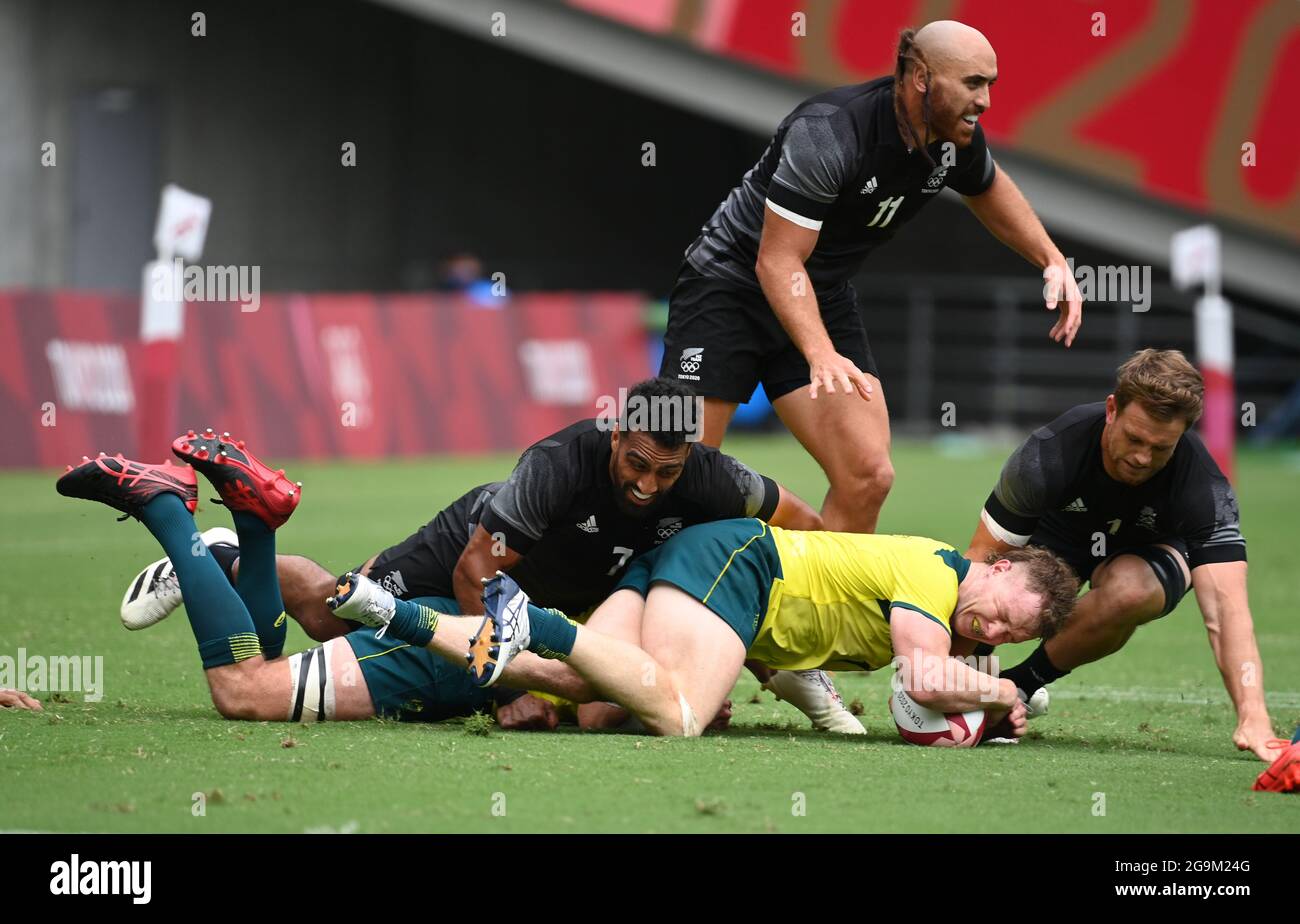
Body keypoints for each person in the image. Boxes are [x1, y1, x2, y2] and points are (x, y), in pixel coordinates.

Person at [117, 379, 859, 732]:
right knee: (329, 621)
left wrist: (821, 605)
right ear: (614, 438)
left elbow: (799, 530)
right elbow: (478, 573)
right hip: (466, 554)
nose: (646, 485)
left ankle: (219, 555)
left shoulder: (709, 475)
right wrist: (508, 688)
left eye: (665, 472)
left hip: (539, 597)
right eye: (635, 463)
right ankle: (218, 556)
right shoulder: (556, 466)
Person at [661, 20, 1082, 534]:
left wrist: (1051, 259)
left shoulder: (954, 139)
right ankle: (647, 600)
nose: (986, 100)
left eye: (990, 83)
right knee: (680, 469)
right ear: (922, 77)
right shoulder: (829, 134)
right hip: (728, 286)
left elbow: (987, 187)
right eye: (973, 83)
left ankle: (813, 611)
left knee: (868, 475)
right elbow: (776, 261)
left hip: (821, 293)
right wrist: (818, 352)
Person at [327, 518, 1078, 738]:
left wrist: (990, 683)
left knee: (584, 697)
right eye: (1006, 617)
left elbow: (801, 651)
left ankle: (393, 614)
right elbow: (919, 681)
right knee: (680, 713)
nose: (993, 632)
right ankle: (540, 622)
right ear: (1003, 569)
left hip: (714, 568)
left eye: (1010, 640)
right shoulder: (936, 576)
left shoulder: (948, 607)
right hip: (735, 566)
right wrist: (1002, 690)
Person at [53, 436, 587, 729]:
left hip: (466, 633)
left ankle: (247, 533)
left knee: (303, 631)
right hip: (459, 642)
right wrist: (510, 686)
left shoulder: (650, 518)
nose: (647, 483)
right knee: (251, 687)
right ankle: (168, 511)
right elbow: (605, 695)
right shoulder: (644, 527)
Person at [965, 349, 1286, 762]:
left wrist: (1253, 715)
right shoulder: (1048, 456)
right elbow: (979, 566)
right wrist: (944, 669)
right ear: (1112, 409)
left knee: (1131, 591)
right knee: (1000, 595)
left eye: (1161, 448)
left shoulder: (1203, 488)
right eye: (1134, 439)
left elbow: (1226, 611)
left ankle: (1021, 684)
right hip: (1060, 537)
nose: (1142, 458)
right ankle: (985, 674)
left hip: (1151, 548)